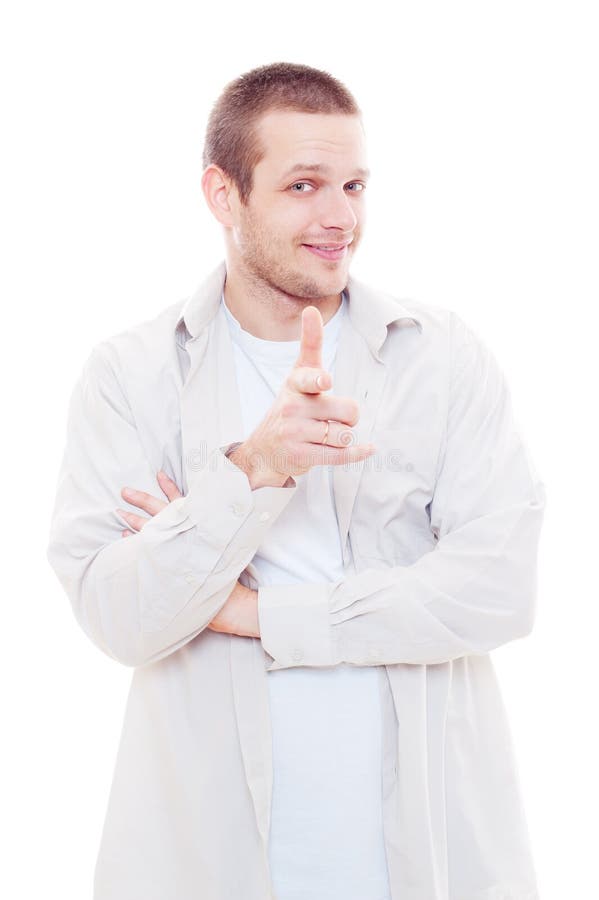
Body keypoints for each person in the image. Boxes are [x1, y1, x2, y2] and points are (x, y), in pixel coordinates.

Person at [46, 61, 546, 900]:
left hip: (425, 862)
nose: (339, 216)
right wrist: (254, 468)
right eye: (303, 185)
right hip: (206, 864)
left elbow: (498, 591)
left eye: (354, 185)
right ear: (223, 194)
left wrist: (250, 610)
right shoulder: (131, 375)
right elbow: (120, 619)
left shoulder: (441, 357)